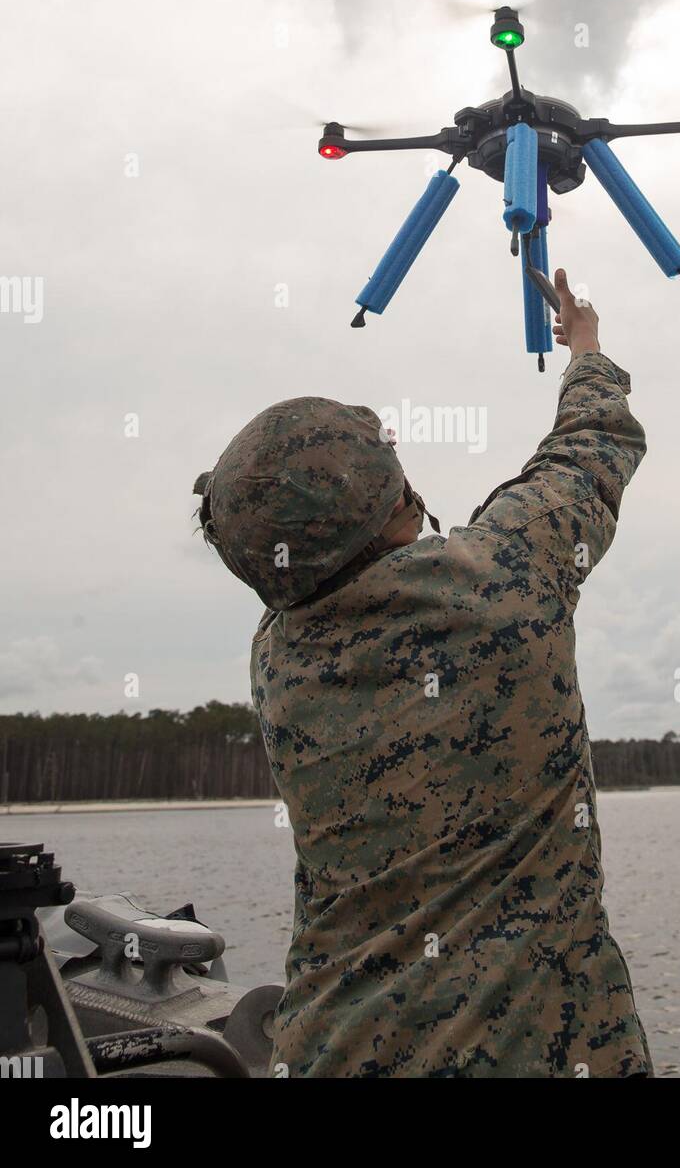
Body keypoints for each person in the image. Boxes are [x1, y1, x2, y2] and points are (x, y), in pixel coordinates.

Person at [193, 268, 652, 1078]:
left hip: (331, 1051)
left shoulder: (278, 660)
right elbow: (590, 451)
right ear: (397, 499)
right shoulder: (506, 577)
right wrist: (586, 346)